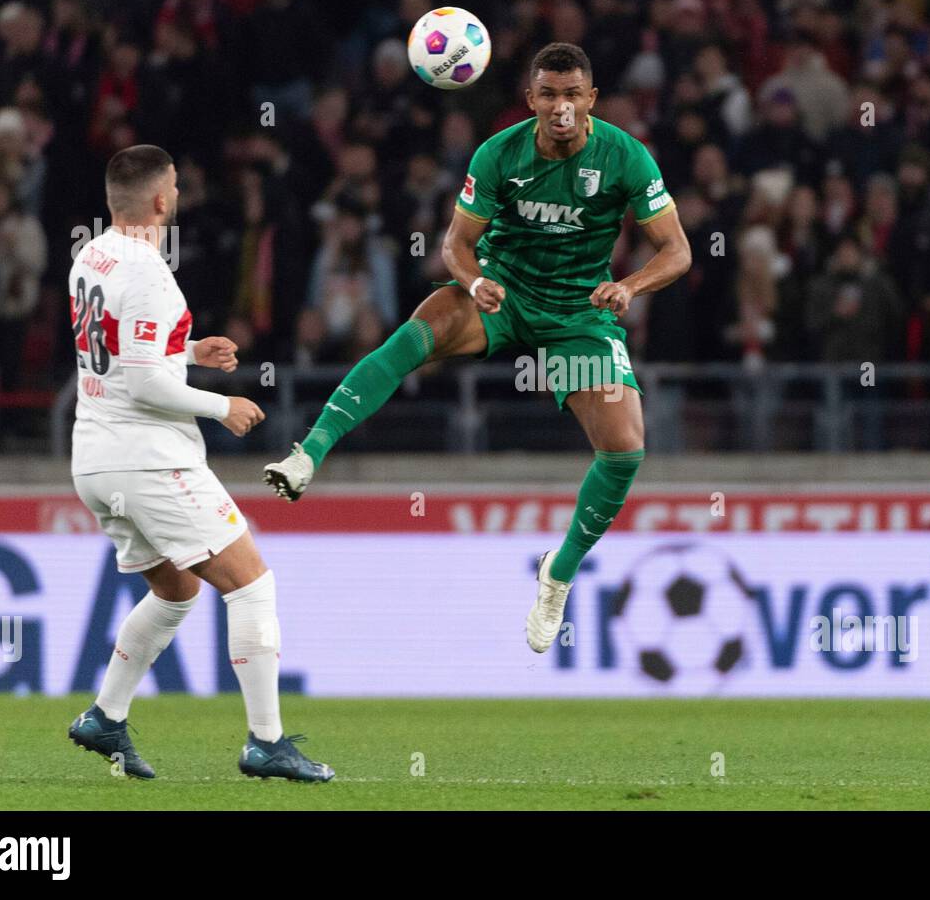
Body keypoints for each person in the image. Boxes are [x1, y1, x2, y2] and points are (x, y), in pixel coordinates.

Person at [264, 43, 691, 654]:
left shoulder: (626, 156)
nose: (561, 107)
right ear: (532, 100)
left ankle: (560, 571)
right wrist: (473, 281)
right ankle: (309, 453)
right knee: (420, 329)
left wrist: (629, 285)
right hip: (503, 292)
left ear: (591, 99)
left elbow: (677, 250)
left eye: (573, 95)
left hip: (577, 313)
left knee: (625, 449)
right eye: (549, 95)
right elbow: (455, 245)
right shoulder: (498, 154)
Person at [67, 145, 332, 782]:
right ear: (162, 199)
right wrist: (223, 405)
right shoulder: (153, 274)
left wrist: (186, 352)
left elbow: (123, 348)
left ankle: (105, 716)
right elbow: (144, 385)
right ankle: (266, 743)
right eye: (177, 185)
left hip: (95, 460)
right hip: (147, 459)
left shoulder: (91, 255)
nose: (180, 194)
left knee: (177, 588)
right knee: (252, 584)